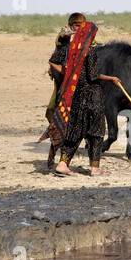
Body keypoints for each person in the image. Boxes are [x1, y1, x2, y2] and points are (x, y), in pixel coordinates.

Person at [51, 13, 121, 177]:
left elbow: (53, 60)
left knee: (74, 130)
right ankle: (94, 168)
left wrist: (68, 74)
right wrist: (111, 78)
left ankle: (62, 164)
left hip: (75, 94)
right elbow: (93, 76)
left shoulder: (68, 48)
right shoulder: (90, 50)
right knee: (96, 131)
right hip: (92, 95)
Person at [42, 26, 72, 170]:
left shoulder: (71, 49)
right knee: (60, 128)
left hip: (69, 93)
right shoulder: (62, 50)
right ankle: (54, 159)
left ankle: (58, 160)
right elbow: (54, 64)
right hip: (63, 95)